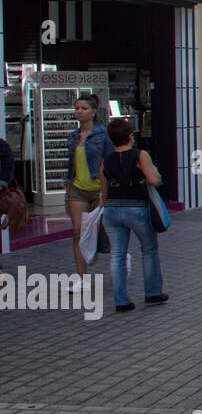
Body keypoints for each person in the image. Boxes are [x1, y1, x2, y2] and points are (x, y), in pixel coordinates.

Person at [97, 117, 166, 313]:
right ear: (130, 136)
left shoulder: (105, 162)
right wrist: (156, 174)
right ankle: (153, 292)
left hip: (111, 210)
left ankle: (121, 300)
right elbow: (154, 179)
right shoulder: (140, 155)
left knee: (117, 255)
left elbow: (103, 192)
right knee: (149, 249)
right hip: (135, 207)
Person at [65, 94, 109, 292]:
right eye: (76, 108)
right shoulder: (73, 136)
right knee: (77, 232)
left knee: (103, 230)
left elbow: (109, 163)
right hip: (78, 189)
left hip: (98, 188)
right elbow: (70, 165)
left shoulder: (103, 135)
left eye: (83, 108)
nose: (78, 112)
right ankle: (81, 278)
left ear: (93, 111)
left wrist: (105, 189)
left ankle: (120, 260)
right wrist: (68, 187)